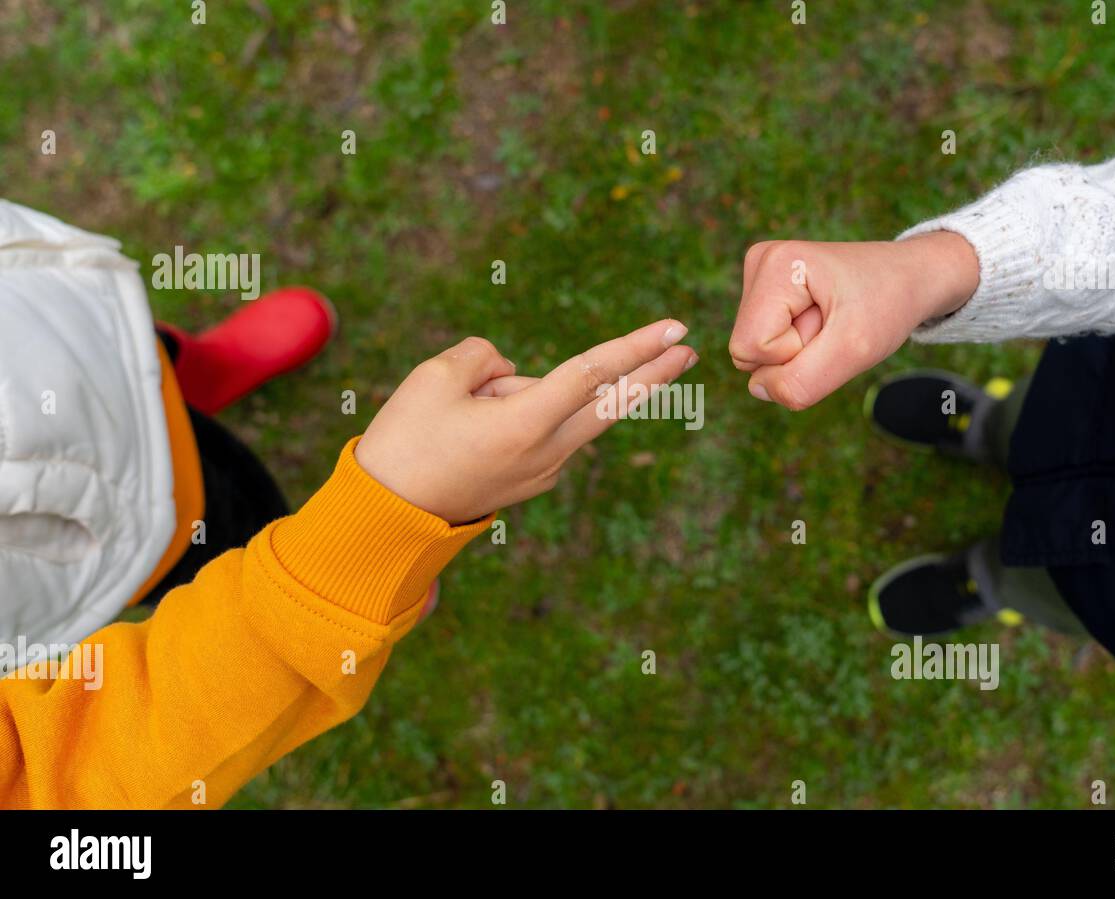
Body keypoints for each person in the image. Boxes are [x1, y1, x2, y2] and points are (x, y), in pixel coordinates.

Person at [0, 197, 696, 807]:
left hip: (50, 332)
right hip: (106, 516)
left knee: (127, 363)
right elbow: (69, 774)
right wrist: (363, 549)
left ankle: (185, 373)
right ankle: (217, 466)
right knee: (226, 519)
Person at [729, 92, 1115, 809]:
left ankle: (996, 581)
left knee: (1083, 588)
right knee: (1051, 417)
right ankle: (990, 424)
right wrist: (930, 271)